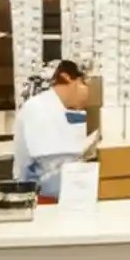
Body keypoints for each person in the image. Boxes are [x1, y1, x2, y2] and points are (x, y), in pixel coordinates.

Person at [13, 59, 95, 203]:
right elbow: (51, 172)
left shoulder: (65, 111)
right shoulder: (39, 109)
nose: (88, 93)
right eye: (84, 83)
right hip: (45, 201)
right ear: (67, 77)